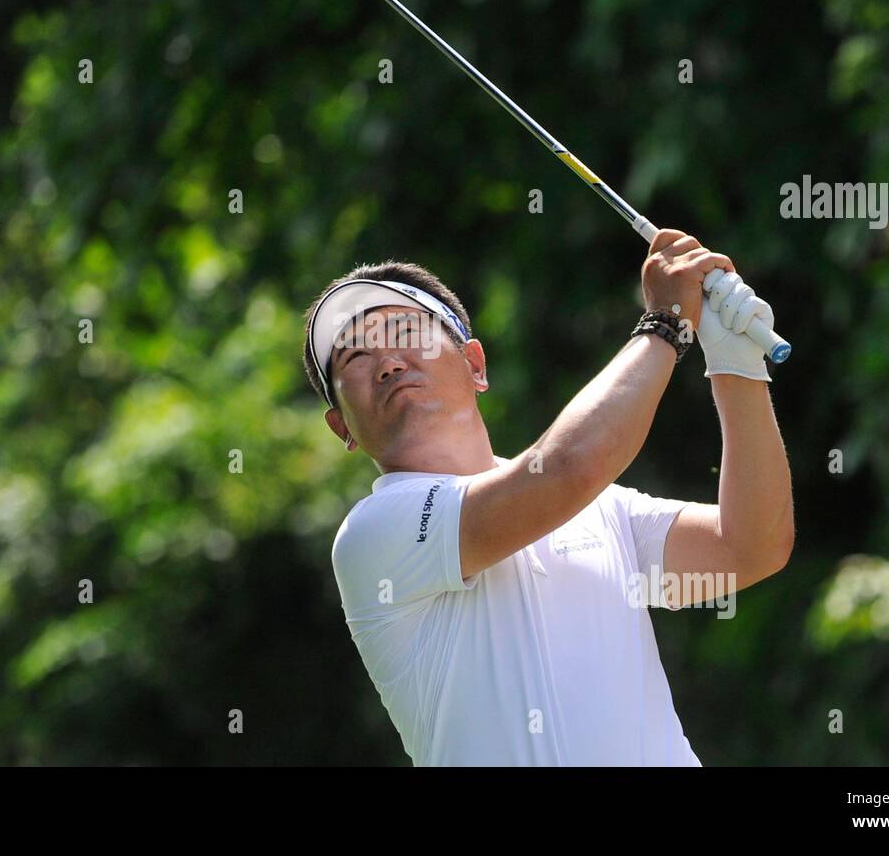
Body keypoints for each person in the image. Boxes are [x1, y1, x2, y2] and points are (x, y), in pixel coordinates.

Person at [301, 230, 795, 765]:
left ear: (475, 365)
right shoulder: (372, 536)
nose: (389, 362)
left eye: (405, 331)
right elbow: (568, 470)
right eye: (354, 356)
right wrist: (666, 325)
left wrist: (737, 367)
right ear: (340, 427)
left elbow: (749, 547)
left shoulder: (604, 508)